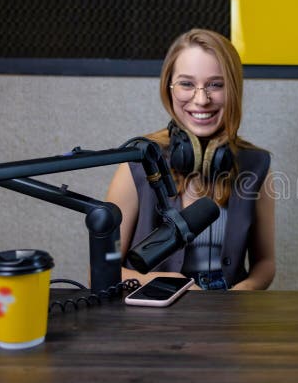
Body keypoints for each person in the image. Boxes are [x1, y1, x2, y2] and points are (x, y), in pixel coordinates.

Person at [106, 29, 275, 290]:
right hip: (154, 313)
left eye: (216, 85)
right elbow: (101, 273)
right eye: (186, 84)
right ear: (169, 88)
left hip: (230, 312)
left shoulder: (256, 164)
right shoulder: (137, 163)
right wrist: (167, 284)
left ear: (233, 90)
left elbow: (265, 264)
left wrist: (240, 294)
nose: (201, 99)